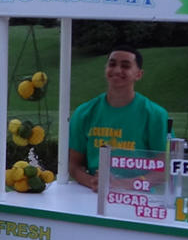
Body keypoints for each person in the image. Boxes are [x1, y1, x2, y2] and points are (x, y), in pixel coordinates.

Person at [68, 45, 168, 191]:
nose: (117, 70)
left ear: (138, 74)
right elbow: (73, 164)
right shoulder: (84, 113)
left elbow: (164, 169)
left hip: (138, 198)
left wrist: (125, 184)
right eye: (112, 64)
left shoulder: (155, 115)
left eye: (125, 66)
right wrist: (93, 182)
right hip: (91, 194)